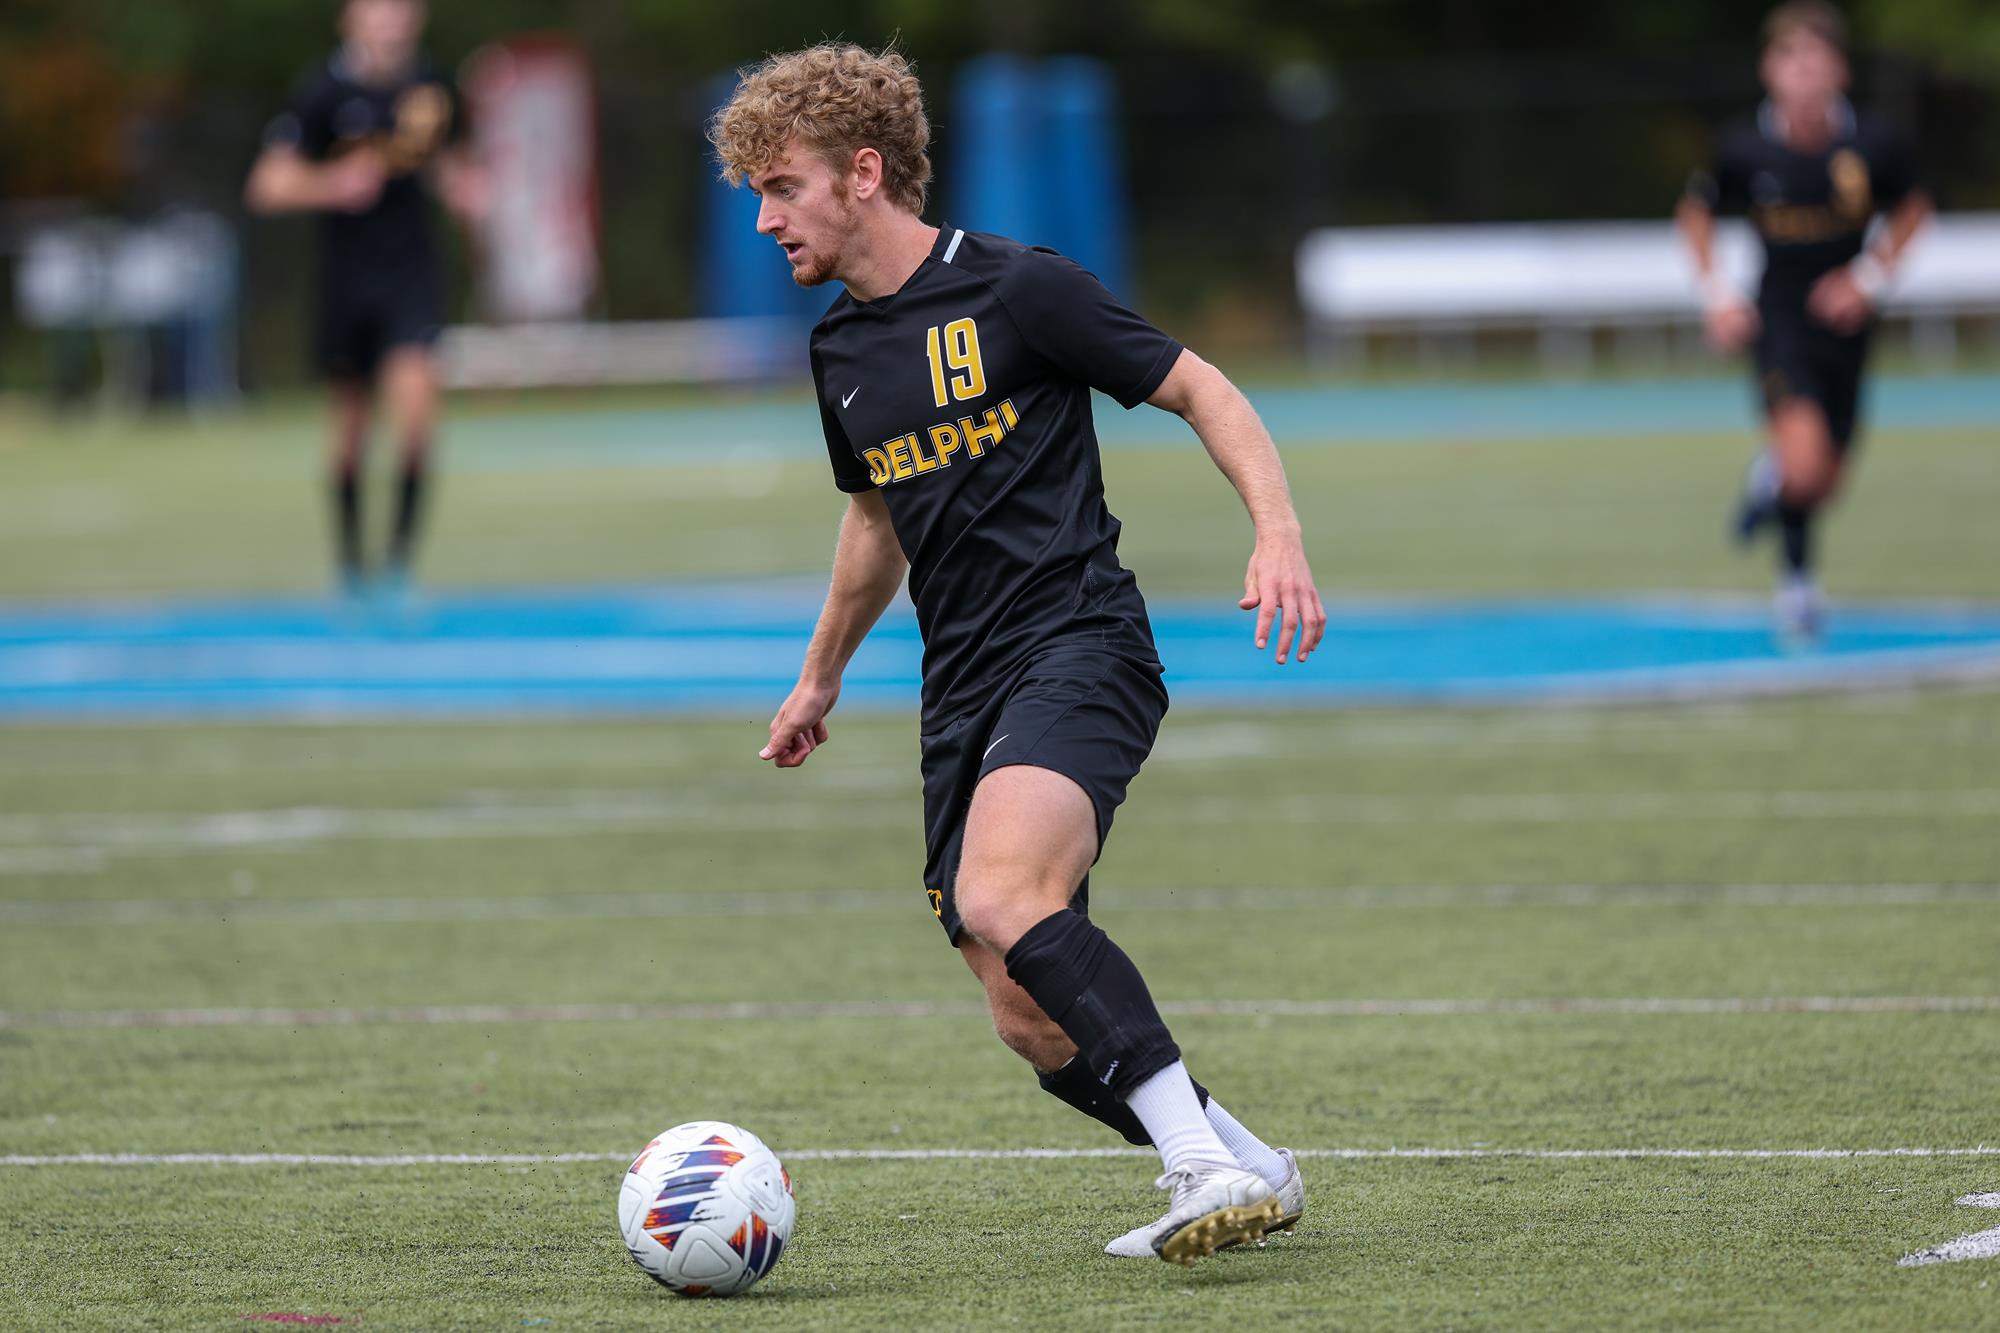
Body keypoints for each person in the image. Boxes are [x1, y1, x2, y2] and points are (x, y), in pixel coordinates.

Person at [711, 43, 1327, 1265]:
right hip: (962, 690)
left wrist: (1279, 534)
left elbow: (1203, 390)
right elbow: (876, 516)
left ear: (864, 174)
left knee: (1004, 893)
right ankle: (1249, 1161)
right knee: (1025, 1016)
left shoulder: (1018, 290)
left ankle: (1193, 1166)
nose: (766, 215)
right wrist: (820, 672)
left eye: (782, 187)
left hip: (1081, 644)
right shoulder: (839, 354)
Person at [1676, 0, 1930, 641]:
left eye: (1816, 61)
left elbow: (1915, 209)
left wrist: (1866, 279)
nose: (1803, 74)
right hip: (1778, 322)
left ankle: (1771, 485)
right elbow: (1695, 215)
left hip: (1847, 330)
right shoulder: (1743, 146)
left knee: (1826, 482)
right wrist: (1718, 296)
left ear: (1839, 71)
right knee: (1805, 460)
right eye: (1790, 60)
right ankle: (1797, 589)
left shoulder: (1872, 142)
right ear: (1769, 69)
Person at [245, 0, 485, 601]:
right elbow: (267, 186)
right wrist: (331, 184)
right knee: (351, 430)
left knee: (416, 416)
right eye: (377, 10)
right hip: (346, 279)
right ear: (350, 19)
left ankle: (399, 566)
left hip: (411, 274)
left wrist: (466, 188)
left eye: (401, 10)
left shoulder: (431, 86)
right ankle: (353, 566)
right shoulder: (321, 93)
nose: (391, 20)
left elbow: (446, 162)